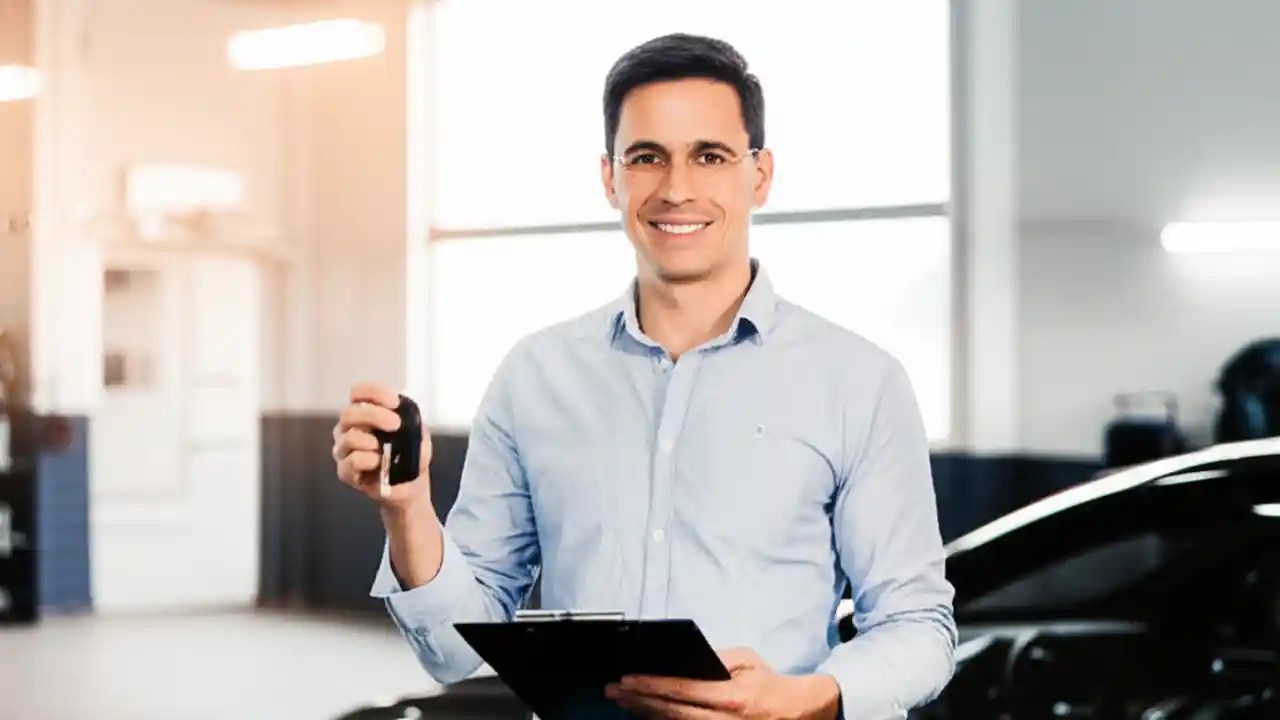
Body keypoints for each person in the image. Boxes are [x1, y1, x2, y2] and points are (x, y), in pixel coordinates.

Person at [333, 33, 956, 719]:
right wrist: (408, 511)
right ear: (611, 178)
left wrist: (806, 698)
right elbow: (454, 651)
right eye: (647, 157)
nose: (676, 188)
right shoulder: (535, 377)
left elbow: (919, 629)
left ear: (759, 175)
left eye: (710, 156)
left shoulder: (857, 383)